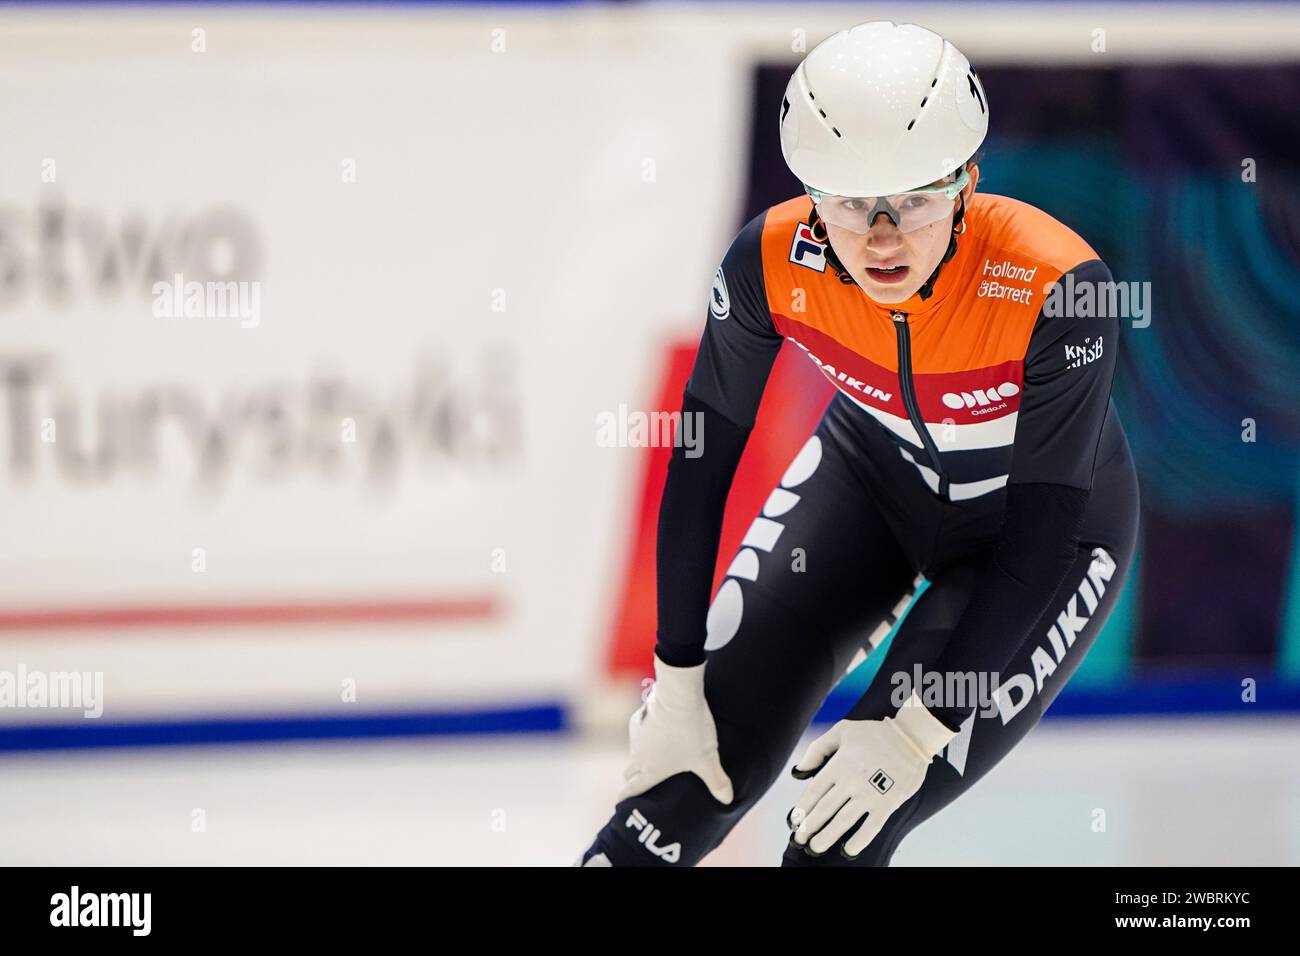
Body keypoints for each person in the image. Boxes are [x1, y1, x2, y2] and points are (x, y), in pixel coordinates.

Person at [576, 19, 1139, 867]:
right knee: (672, 798)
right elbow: (697, 467)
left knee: (835, 839)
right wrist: (679, 677)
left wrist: (917, 732)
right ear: (808, 194)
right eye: (848, 202)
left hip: (1035, 544)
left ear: (966, 183)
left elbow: (1038, 539)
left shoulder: (1057, 286)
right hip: (868, 483)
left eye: (912, 198)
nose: (881, 235)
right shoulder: (767, 262)